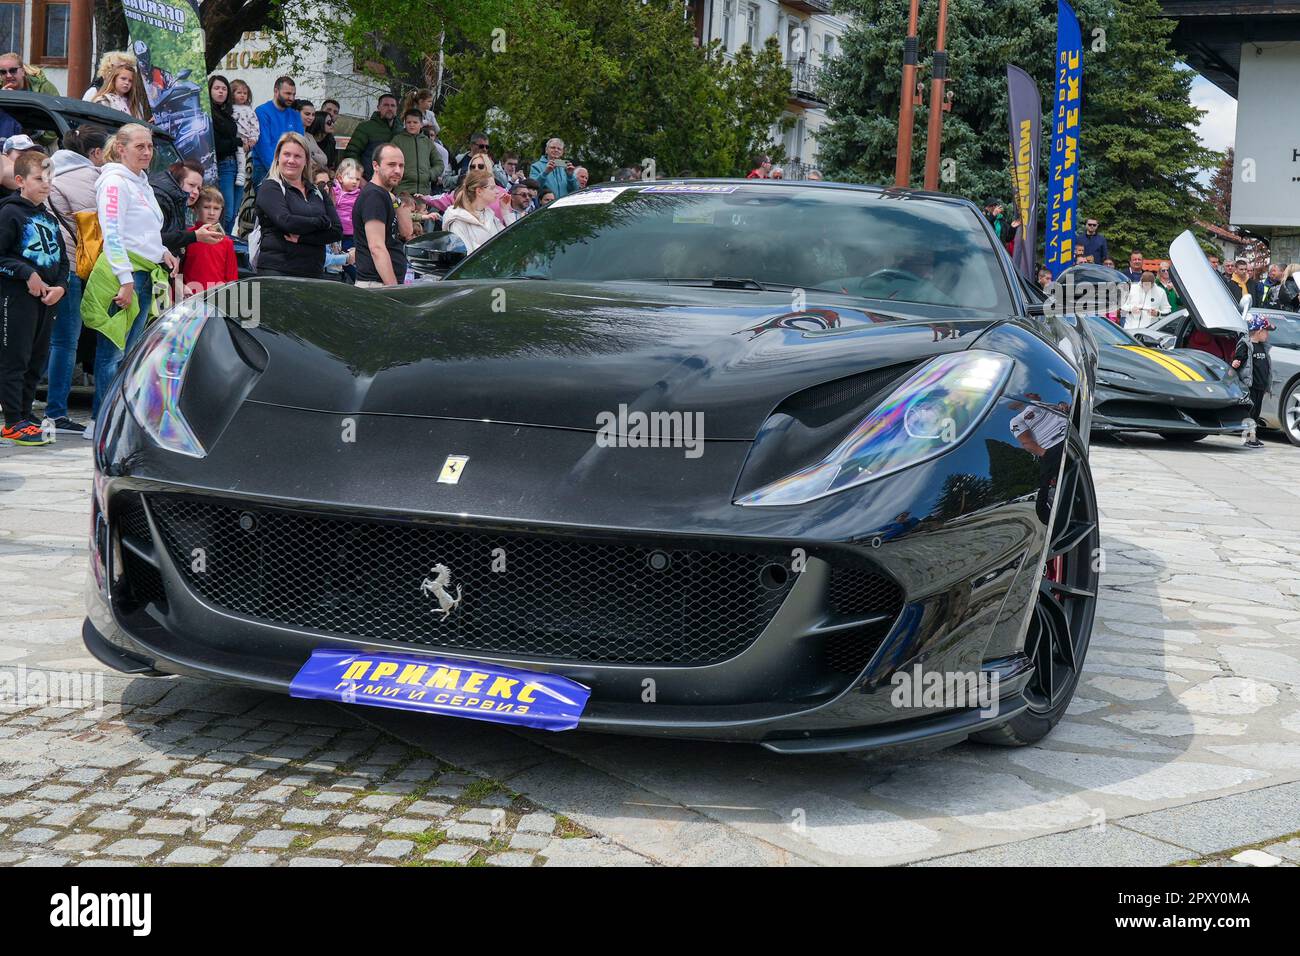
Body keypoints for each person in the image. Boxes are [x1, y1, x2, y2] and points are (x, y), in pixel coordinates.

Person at [81, 124, 177, 438]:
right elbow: (113, 233)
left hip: (145, 272)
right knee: (112, 353)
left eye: (149, 146)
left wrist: (162, 251)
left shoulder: (140, 181)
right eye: (140, 147)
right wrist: (125, 280)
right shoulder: (114, 182)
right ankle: (100, 422)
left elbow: (141, 231)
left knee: (132, 351)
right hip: (124, 275)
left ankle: (119, 419)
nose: (147, 152)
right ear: (121, 148)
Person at [43, 125, 107, 437]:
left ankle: (35, 408)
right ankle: (56, 412)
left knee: (48, 339)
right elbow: (97, 228)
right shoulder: (88, 178)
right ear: (95, 152)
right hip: (69, 266)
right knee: (65, 342)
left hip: (44, 264)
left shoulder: (52, 171)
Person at [0, 151, 68, 445]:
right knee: (14, 358)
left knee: (36, 359)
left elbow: (62, 261)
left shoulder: (50, 219)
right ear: (20, 180)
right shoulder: (9, 213)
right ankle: (13, 420)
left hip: (47, 301)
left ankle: (26, 415)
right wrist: (25, 273)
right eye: (39, 178)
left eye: (49, 178)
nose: (46, 184)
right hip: (16, 299)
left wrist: (61, 286)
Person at [254, 132, 342, 278]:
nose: (291, 160)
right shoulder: (270, 187)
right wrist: (323, 222)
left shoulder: (317, 192)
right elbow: (286, 222)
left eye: (297, 156)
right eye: (286, 154)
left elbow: (337, 231)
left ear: (306, 160)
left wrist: (302, 238)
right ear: (277, 157)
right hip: (278, 273)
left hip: (313, 274)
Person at [353, 143, 408, 288]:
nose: (397, 170)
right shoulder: (374, 196)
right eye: (391, 164)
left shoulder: (384, 195)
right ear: (375, 166)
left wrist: (396, 201)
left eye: (401, 165)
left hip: (381, 284)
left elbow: (407, 232)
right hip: (378, 285)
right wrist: (393, 289)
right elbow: (376, 247)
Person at [150, 160, 222, 260]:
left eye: (199, 188)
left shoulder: (177, 202)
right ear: (177, 181)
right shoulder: (161, 199)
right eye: (191, 185)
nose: (196, 192)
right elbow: (152, 240)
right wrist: (194, 236)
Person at [181, 187, 237, 294]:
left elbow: (232, 277)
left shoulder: (226, 242)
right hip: (189, 296)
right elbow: (178, 271)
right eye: (206, 207)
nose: (211, 212)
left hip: (217, 298)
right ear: (196, 208)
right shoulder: (187, 236)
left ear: (221, 210)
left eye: (216, 208)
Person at [252, 76, 304, 192]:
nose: (291, 98)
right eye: (288, 94)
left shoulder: (295, 115)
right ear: (276, 91)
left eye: (294, 94)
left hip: (291, 168)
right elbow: (264, 147)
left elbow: (300, 145)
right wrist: (280, 173)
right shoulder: (262, 112)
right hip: (265, 170)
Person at [207, 75, 241, 233]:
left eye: (224, 89)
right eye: (216, 88)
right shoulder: (208, 114)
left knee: (234, 212)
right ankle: (220, 242)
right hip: (222, 164)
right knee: (226, 212)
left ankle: (227, 243)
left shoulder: (228, 113)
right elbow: (217, 145)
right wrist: (237, 142)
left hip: (236, 164)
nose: (221, 92)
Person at [443, 169, 503, 255]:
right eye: (492, 188)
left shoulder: (489, 214)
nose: (497, 191)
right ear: (479, 191)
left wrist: (506, 212)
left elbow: (509, 243)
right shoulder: (457, 220)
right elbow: (465, 257)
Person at [343, 94, 399, 175]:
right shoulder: (366, 128)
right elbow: (351, 154)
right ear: (378, 107)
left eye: (393, 105)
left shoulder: (401, 130)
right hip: (370, 182)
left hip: (396, 183)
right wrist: (360, 179)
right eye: (386, 105)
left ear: (396, 108)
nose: (390, 108)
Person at [392, 108, 440, 197]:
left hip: (423, 193)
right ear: (405, 124)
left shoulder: (428, 142)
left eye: (415, 122)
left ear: (421, 124)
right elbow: (389, 162)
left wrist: (429, 175)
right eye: (408, 122)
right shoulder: (397, 140)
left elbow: (439, 164)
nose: (411, 125)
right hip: (402, 191)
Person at [229, 79, 260, 219]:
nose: (242, 96)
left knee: (242, 156)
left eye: (245, 93)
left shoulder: (249, 111)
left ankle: (241, 174)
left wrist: (253, 138)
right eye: (239, 92)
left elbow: (255, 126)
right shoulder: (229, 109)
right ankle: (240, 173)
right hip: (234, 138)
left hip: (245, 140)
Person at [1243, 315, 1274, 449]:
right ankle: (1248, 438)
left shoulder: (1263, 347)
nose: (1268, 334)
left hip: (1261, 386)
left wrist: (1268, 385)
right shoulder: (1248, 346)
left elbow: (1266, 367)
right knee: (1250, 413)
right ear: (1259, 331)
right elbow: (1240, 363)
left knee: (1256, 413)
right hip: (1252, 386)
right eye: (1266, 331)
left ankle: (1253, 436)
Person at [331, 158, 364, 283]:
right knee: (338, 261)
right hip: (336, 234)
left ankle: (357, 281)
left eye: (358, 179)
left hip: (351, 234)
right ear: (340, 177)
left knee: (350, 261)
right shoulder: (334, 190)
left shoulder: (359, 195)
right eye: (351, 178)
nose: (355, 182)